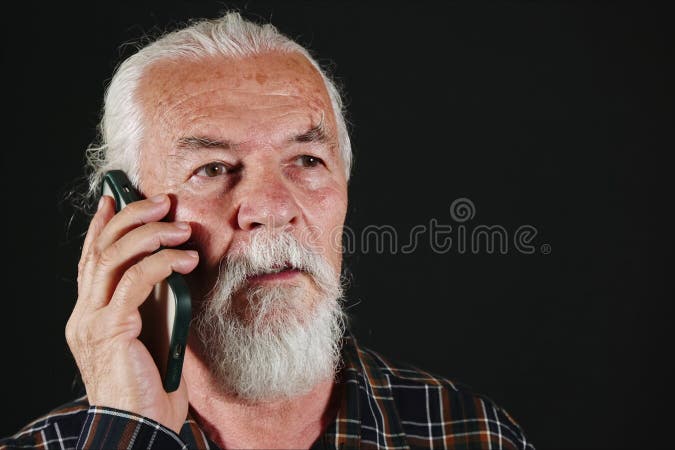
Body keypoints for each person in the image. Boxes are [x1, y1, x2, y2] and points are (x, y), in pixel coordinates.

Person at [1, 11, 533, 450]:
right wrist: (130, 434)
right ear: (125, 217)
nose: (274, 208)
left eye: (306, 159)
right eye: (211, 169)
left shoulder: (475, 434)